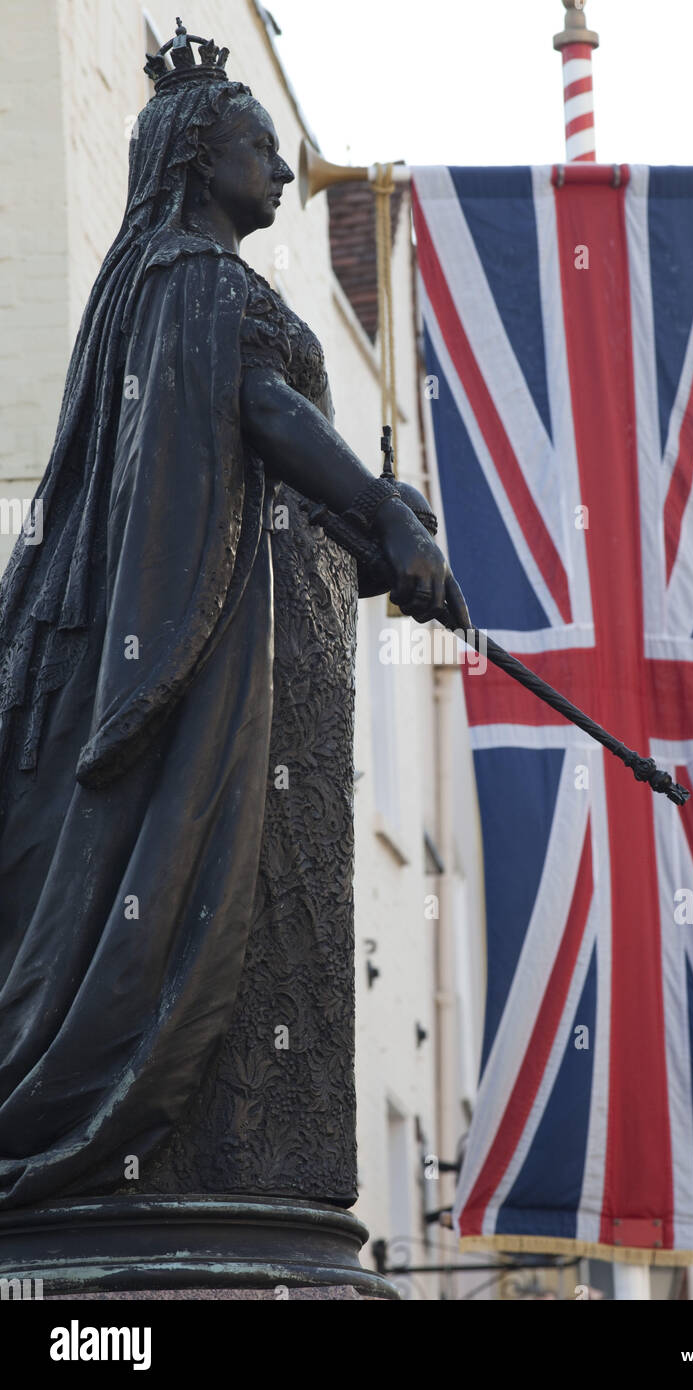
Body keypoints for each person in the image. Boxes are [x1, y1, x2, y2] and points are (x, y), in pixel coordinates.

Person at [0, 22, 468, 1209]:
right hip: (212, 671)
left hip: (251, 647)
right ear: (199, 158)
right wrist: (391, 515)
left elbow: (253, 473)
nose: (275, 170)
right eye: (258, 149)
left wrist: (379, 520)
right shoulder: (194, 285)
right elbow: (264, 413)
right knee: (215, 906)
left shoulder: (149, 289)